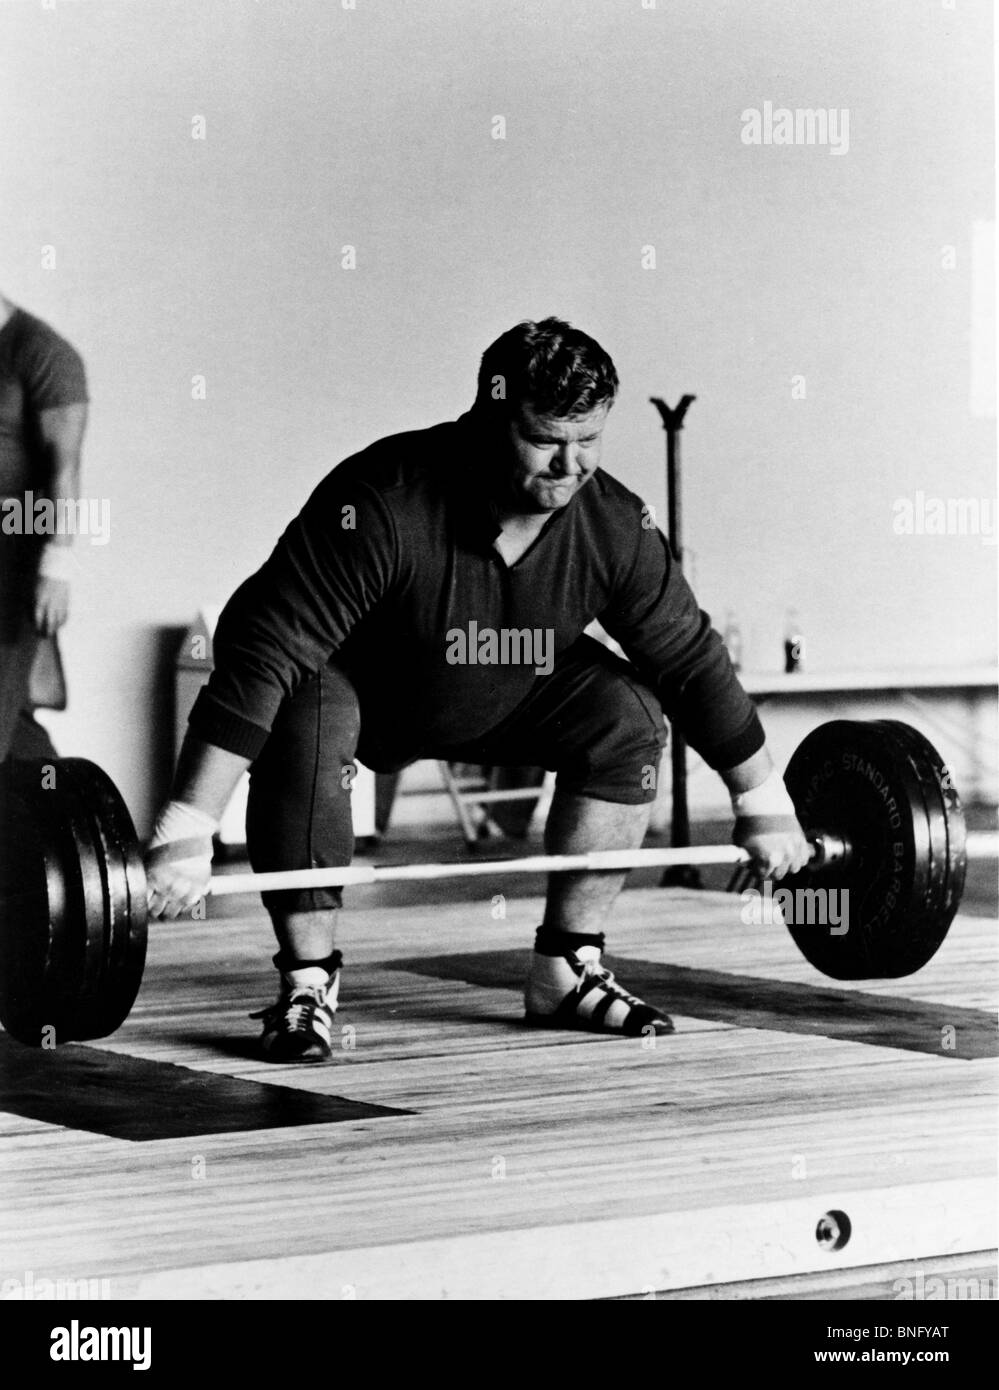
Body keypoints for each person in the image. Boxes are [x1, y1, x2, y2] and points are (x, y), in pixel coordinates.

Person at [145, 318, 809, 1062]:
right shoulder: (382, 502)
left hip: (495, 687)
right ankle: (307, 984)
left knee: (627, 715)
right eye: (545, 439)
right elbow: (266, 656)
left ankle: (566, 968)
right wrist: (187, 826)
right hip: (357, 686)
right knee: (308, 708)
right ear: (489, 418)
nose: (569, 464)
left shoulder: (613, 525)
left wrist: (763, 803)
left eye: (589, 439)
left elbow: (688, 658)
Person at [0, 293, 88, 764]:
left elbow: (65, 470)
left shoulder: (43, 352)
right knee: (16, 722)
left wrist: (57, 567)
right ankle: (61, 827)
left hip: (13, 566)